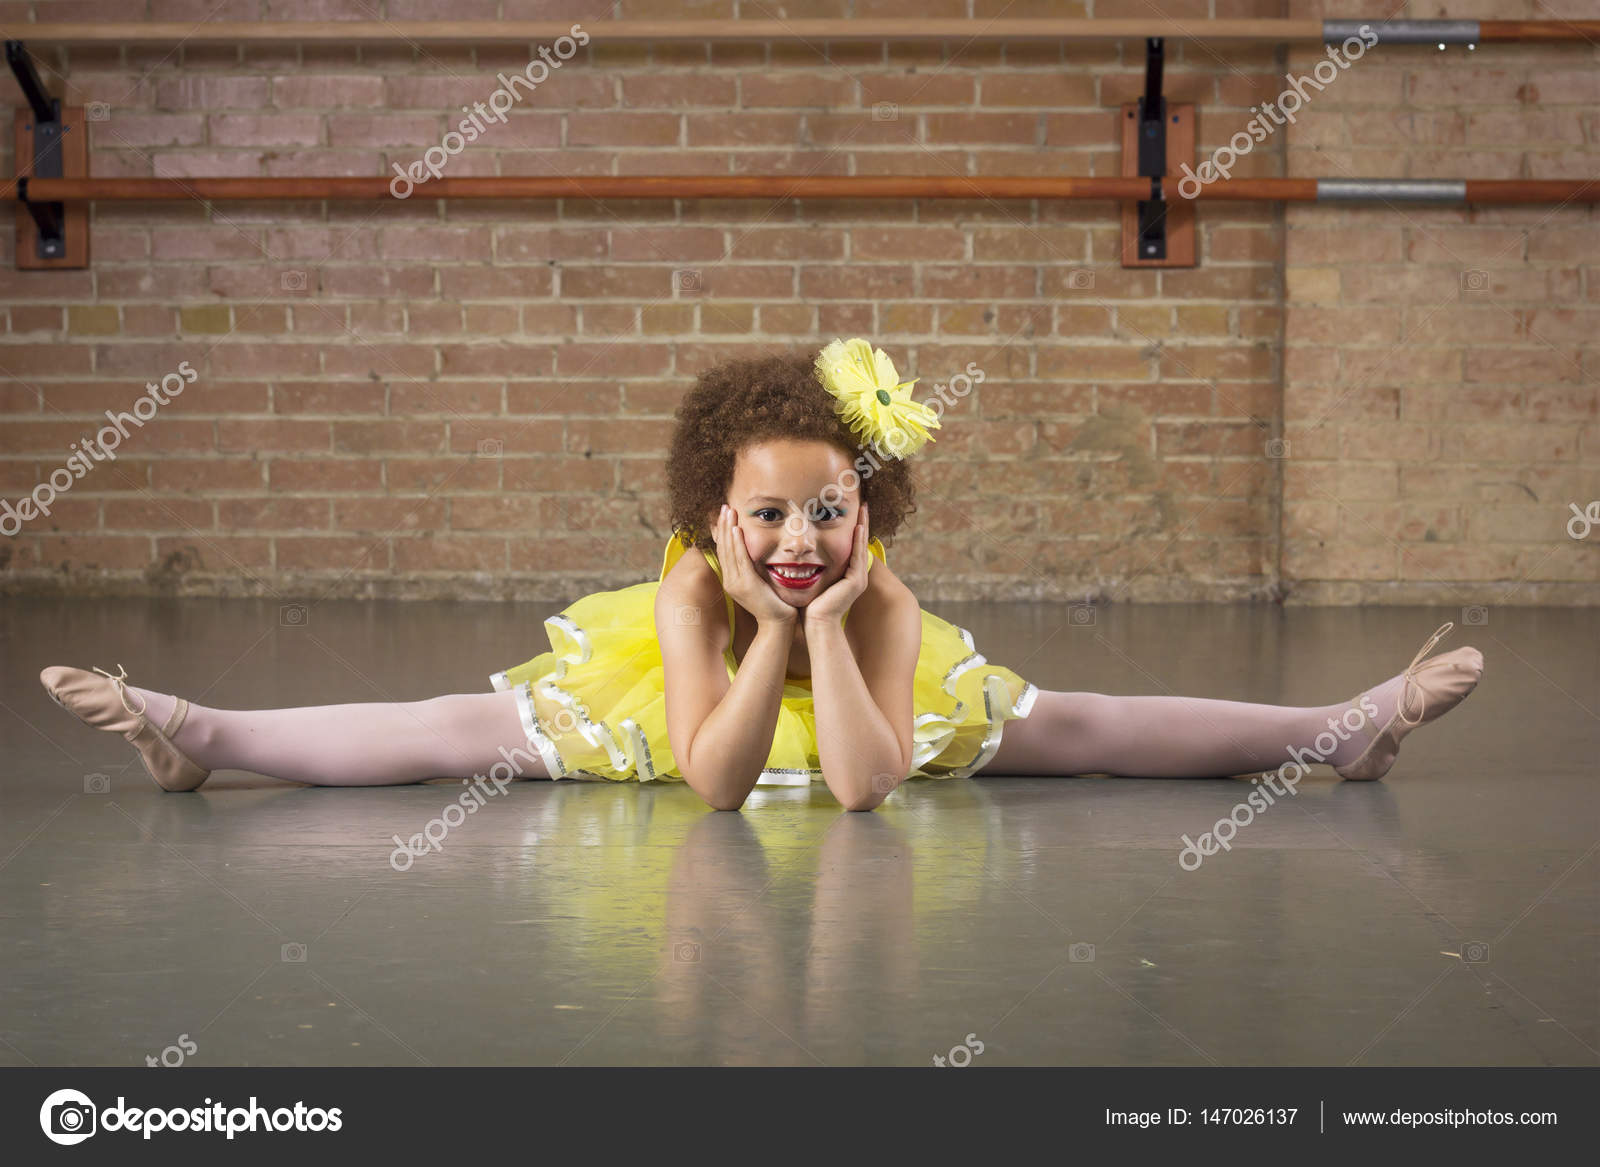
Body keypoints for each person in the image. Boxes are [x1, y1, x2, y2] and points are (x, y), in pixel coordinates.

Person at [39, 338, 1483, 812]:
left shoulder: (886, 596)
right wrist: (767, 637)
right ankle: (204, 736)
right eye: (769, 518)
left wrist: (837, 629)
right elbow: (715, 784)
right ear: (711, 524)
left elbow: (861, 792)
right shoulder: (681, 592)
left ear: (873, 512)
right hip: (699, 711)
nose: (800, 544)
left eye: (830, 514)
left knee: (1078, 724)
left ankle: (1335, 730)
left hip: (844, 694)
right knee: (454, 729)